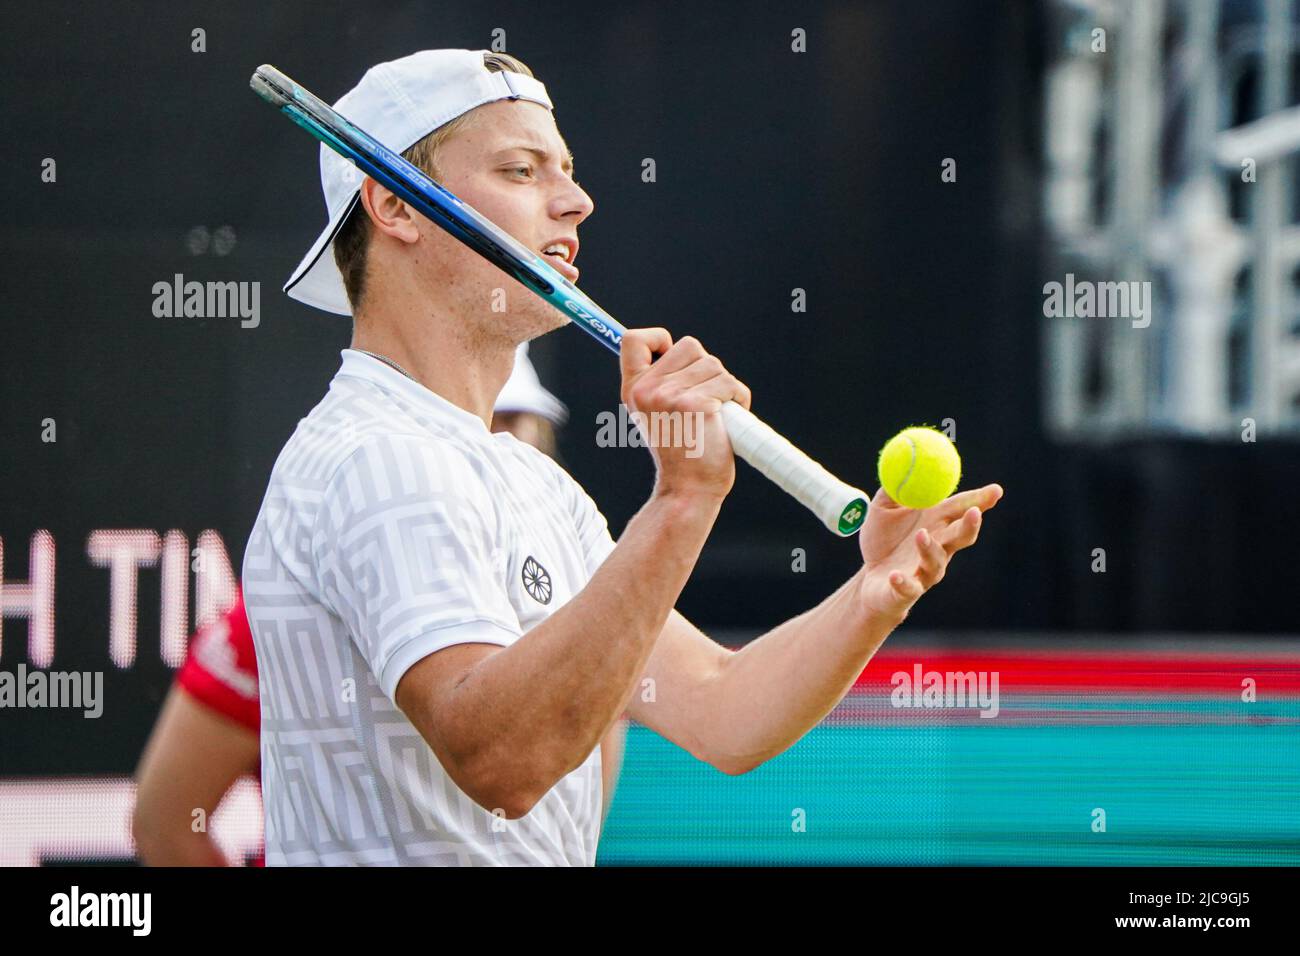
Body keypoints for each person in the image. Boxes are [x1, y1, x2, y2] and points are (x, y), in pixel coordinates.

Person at [243, 49, 1002, 866]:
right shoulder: (376, 456)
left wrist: (874, 594)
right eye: (521, 170)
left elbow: (722, 710)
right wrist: (681, 502)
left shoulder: (529, 480)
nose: (576, 201)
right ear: (396, 205)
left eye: (564, 172)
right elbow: (505, 761)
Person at [131, 345, 586, 865]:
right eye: (478, 421)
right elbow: (166, 822)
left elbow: (572, 828)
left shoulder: (585, 598)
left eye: (512, 420)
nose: (495, 442)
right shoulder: (273, 607)